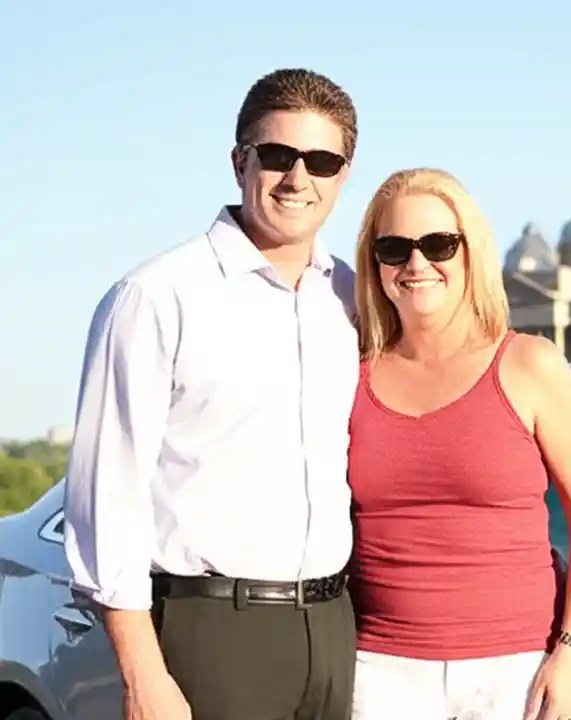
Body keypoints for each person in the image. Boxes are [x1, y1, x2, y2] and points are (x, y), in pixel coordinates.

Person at [62, 68, 362, 720]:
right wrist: (144, 676)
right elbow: (105, 500)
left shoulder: (354, 298)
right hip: (212, 632)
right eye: (277, 156)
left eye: (321, 160)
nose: (297, 178)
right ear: (239, 162)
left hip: (335, 628)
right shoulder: (156, 297)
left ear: (344, 174)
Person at [346, 168, 571, 720]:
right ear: (375, 264)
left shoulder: (529, 365)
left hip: (513, 672)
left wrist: (569, 653)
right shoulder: (348, 375)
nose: (416, 264)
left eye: (439, 244)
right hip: (380, 671)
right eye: (394, 248)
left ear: (471, 254)